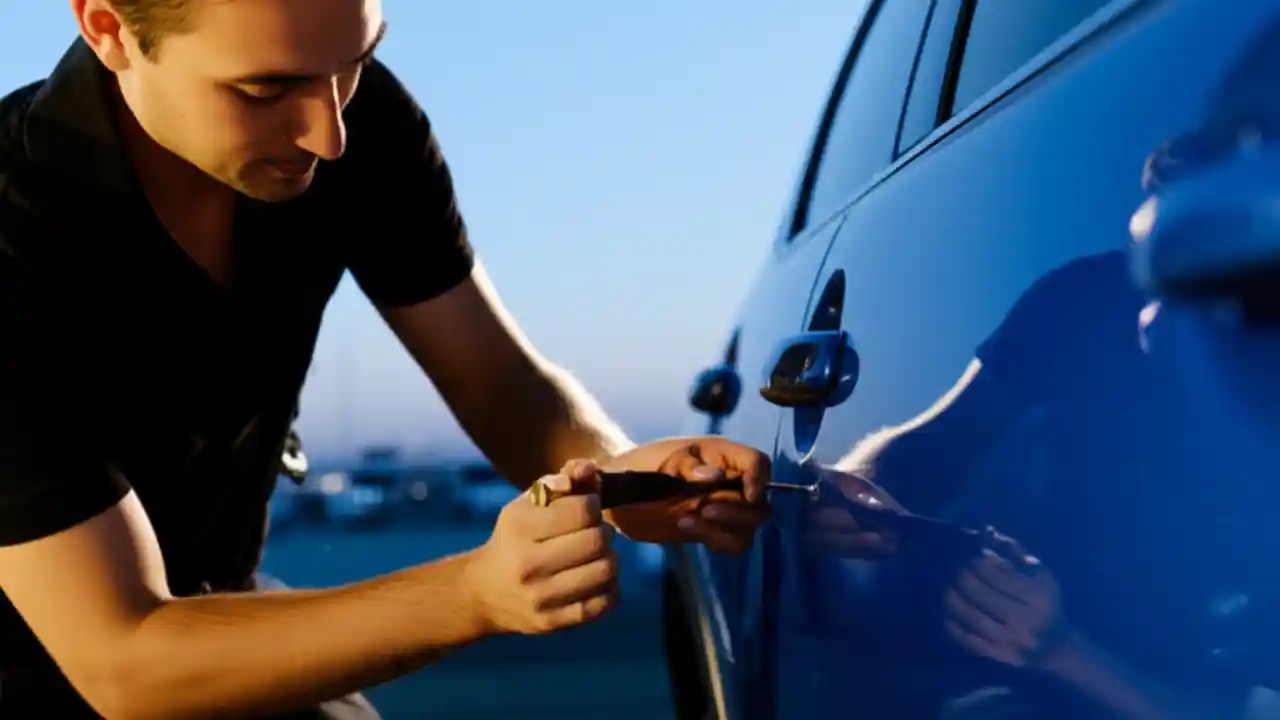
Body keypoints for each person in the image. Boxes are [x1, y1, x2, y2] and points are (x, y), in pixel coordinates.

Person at [0, 1, 773, 717]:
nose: (328, 134)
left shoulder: (355, 116)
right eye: (265, 89)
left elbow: (501, 383)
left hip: (235, 623)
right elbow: (123, 660)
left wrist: (623, 476)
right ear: (107, 28)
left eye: (355, 62)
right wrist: (473, 594)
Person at [803, 17, 1280, 719]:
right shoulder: (1085, 298)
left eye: (1178, 266)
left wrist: (1061, 651)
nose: (1141, 311)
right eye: (1138, 264)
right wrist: (858, 491)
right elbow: (927, 445)